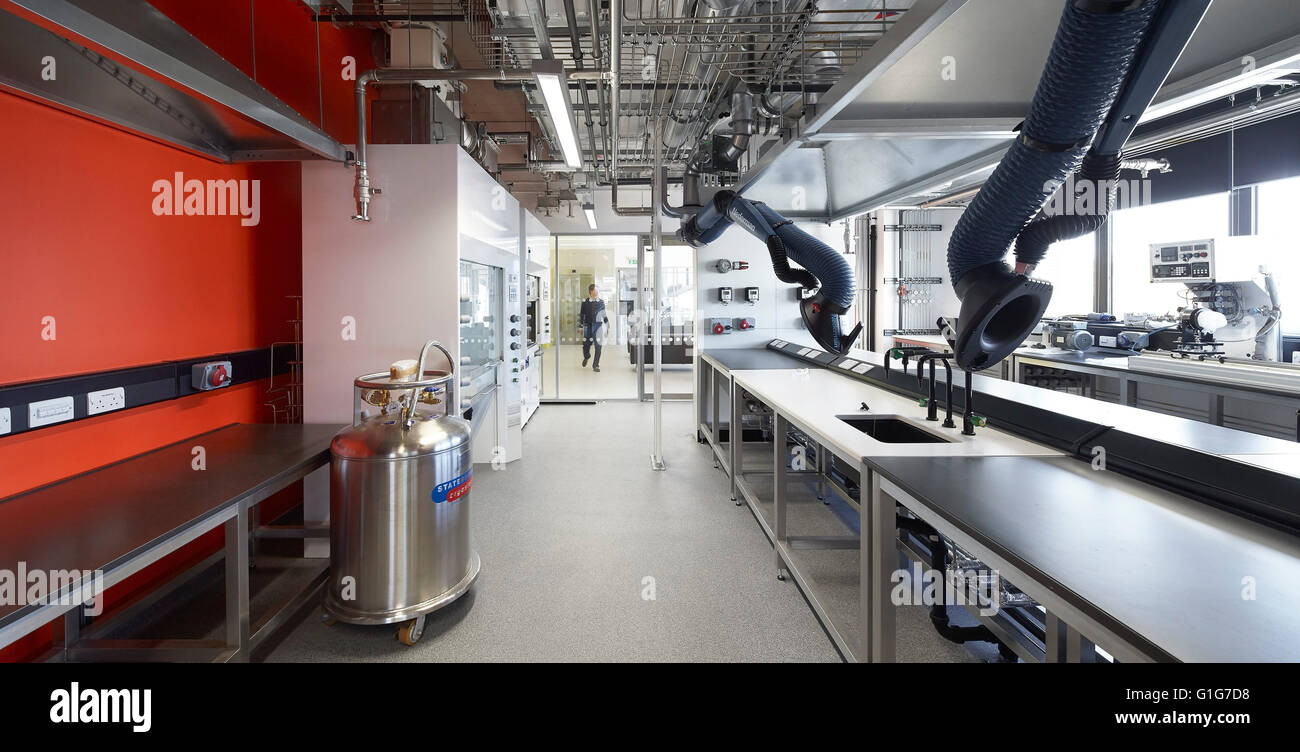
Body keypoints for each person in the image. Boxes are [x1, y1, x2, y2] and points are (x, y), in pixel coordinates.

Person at [578, 283, 609, 372]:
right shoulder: (585, 302)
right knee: (586, 345)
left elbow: (604, 314)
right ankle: (586, 357)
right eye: (596, 290)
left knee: (598, 346)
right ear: (591, 291)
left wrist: (607, 326)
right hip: (587, 326)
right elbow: (582, 315)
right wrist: (581, 326)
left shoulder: (601, 302)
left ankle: (596, 365)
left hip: (598, 326)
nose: (597, 292)